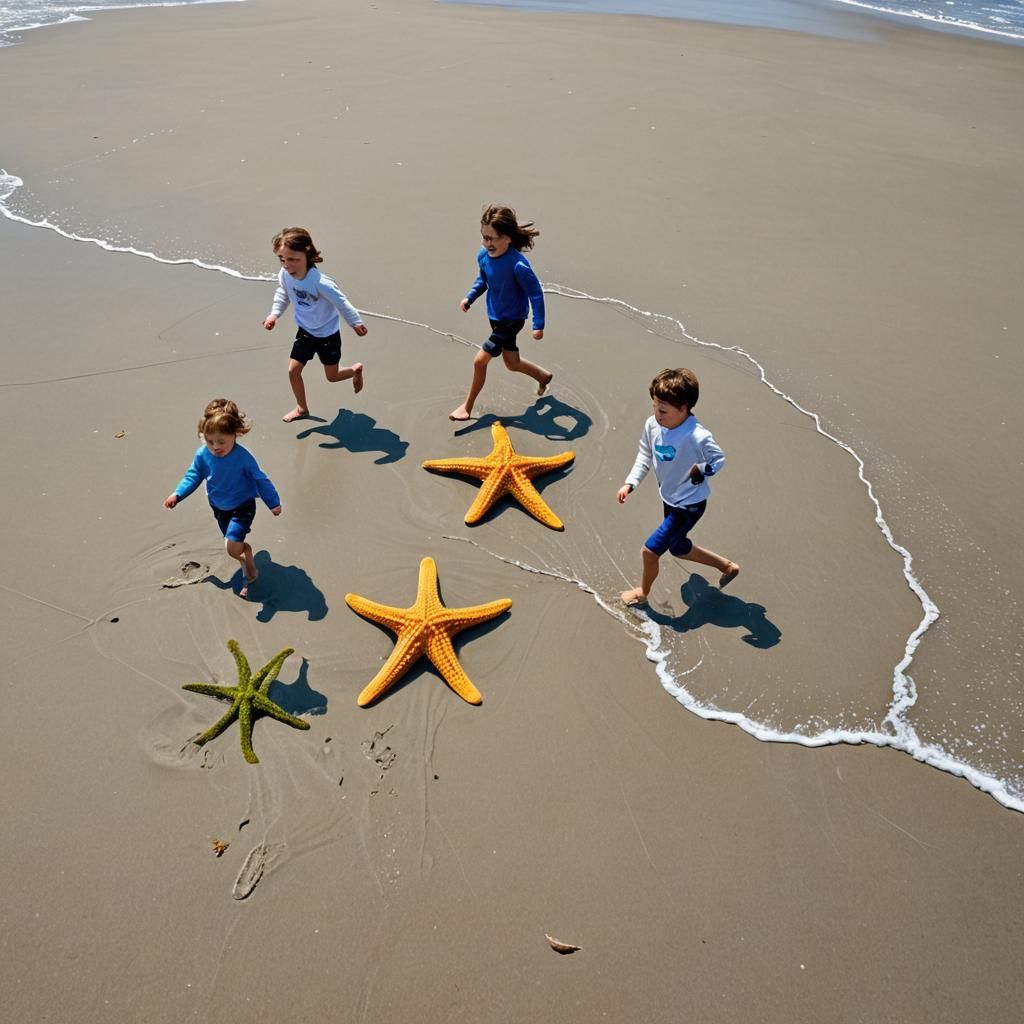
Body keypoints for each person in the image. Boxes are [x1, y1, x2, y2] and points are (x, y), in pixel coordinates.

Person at [617, 368, 739, 606]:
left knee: (649, 551)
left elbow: (719, 459)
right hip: (670, 498)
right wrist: (630, 482)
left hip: (689, 505)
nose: (657, 414)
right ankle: (727, 567)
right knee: (679, 548)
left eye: (663, 410)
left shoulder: (697, 435)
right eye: (654, 406)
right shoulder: (652, 425)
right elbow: (645, 454)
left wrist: (701, 469)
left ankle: (642, 593)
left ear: (684, 409)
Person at [164, 399, 282, 599]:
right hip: (218, 507)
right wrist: (178, 494)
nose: (215, 447)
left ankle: (247, 557)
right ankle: (247, 559)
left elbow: (260, 479)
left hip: (243, 506)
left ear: (234, 435)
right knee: (233, 546)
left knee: (231, 546)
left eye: (221, 442)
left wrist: (273, 502)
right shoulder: (203, 455)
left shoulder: (243, 457)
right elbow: (193, 476)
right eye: (209, 441)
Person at [449, 205, 553, 421]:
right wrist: (470, 297)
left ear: (507, 238)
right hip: (495, 317)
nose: (487, 243)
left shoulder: (518, 265)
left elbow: (536, 294)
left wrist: (538, 324)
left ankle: (466, 407)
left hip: (512, 320)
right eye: (483, 237)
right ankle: (542, 376)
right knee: (511, 363)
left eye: (491, 239)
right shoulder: (484, 256)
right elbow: (484, 279)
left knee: (480, 361)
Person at [263, 227, 369, 423]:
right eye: (282, 259)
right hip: (305, 331)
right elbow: (283, 293)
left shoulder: (320, 282)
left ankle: (355, 370)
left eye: (293, 259)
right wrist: (274, 314)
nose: (287, 265)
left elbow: (341, 302)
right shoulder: (285, 275)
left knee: (332, 376)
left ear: (307, 254)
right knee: (293, 370)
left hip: (328, 335)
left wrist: (356, 323)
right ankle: (302, 408)